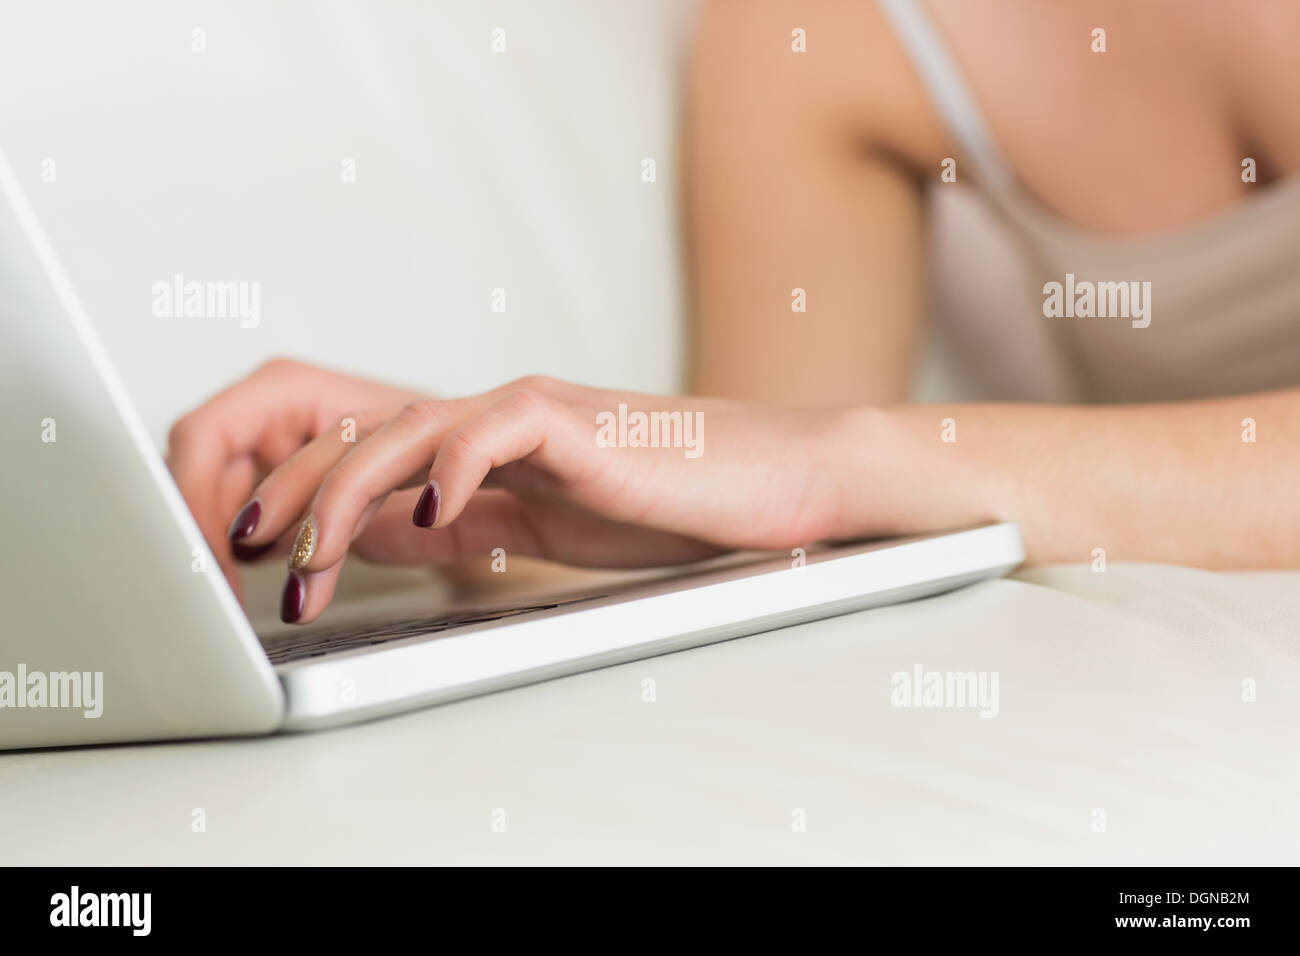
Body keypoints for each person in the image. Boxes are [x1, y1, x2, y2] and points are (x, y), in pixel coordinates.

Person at [168, 0, 1300, 625]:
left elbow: (816, 469)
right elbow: (762, 527)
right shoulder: (809, 32)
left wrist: (846, 458)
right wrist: (486, 497)